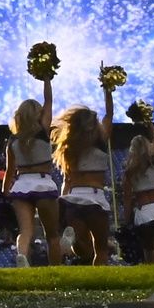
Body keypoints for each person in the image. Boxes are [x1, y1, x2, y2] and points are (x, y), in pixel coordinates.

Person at [3, 84, 63, 267]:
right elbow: (49, 100)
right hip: (43, 183)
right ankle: (56, 269)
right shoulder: (42, 132)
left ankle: (22, 255)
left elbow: (9, 171)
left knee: (25, 231)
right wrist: (46, 78)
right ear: (38, 114)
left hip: (21, 185)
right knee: (52, 234)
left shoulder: (12, 142)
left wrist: (5, 191)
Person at [52, 98, 113, 265]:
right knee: (100, 248)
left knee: (82, 248)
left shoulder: (69, 149)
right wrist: (108, 90)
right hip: (96, 199)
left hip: (73, 198)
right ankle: (101, 285)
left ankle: (74, 239)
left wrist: (63, 202)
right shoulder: (100, 145)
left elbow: (67, 180)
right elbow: (109, 116)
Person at [120, 118, 154, 264]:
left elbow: (127, 200)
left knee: (148, 253)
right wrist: (149, 124)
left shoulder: (129, 172)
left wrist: (127, 221)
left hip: (142, 215)